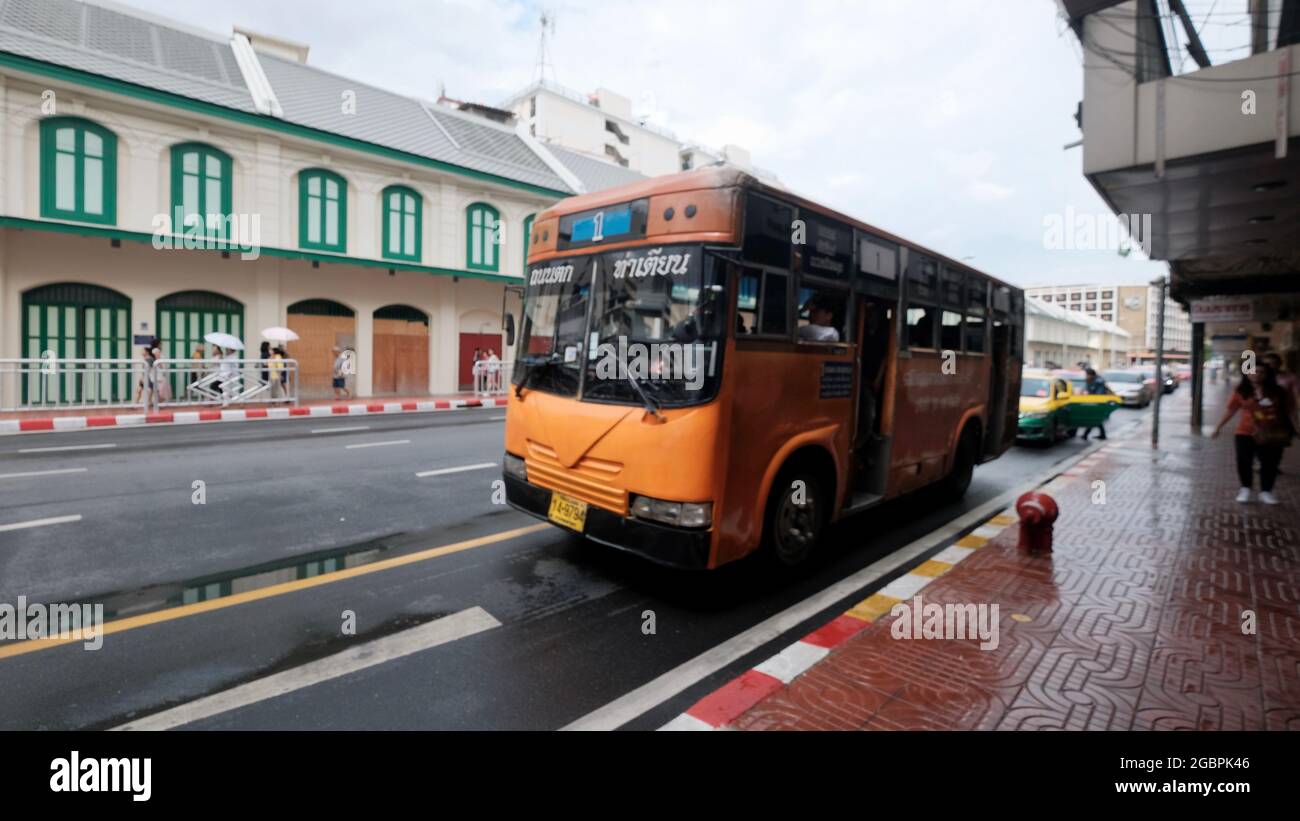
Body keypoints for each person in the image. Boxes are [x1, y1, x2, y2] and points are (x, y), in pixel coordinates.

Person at [1212, 363, 1294, 505]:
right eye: (1254, 371)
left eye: (1261, 372)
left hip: (1271, 433)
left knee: (1270, 463)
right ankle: (1245, 488)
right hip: (1245, 432)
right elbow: (1231, 410)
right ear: (1247, 374)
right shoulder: (1242, 391)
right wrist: (1218, 427)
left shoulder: (1279, 392)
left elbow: (1290, 411)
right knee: (1243, 460)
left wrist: (1295, 427)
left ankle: (1266, 491)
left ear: (1267, 374)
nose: (1257, 374)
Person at [1080, 368, 1110, 441]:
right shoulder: (1089, 381)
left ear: (1091, 375)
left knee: (1094, 418)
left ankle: (1085, 434)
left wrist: (1091, 397)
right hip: (1092, 402)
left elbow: (1099, 395)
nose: (1086, 376)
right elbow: (1086, 390)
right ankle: (1102, 434)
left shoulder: (1098, 382)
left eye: (1087, 375)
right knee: (1095, 419)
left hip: (1098, 403)